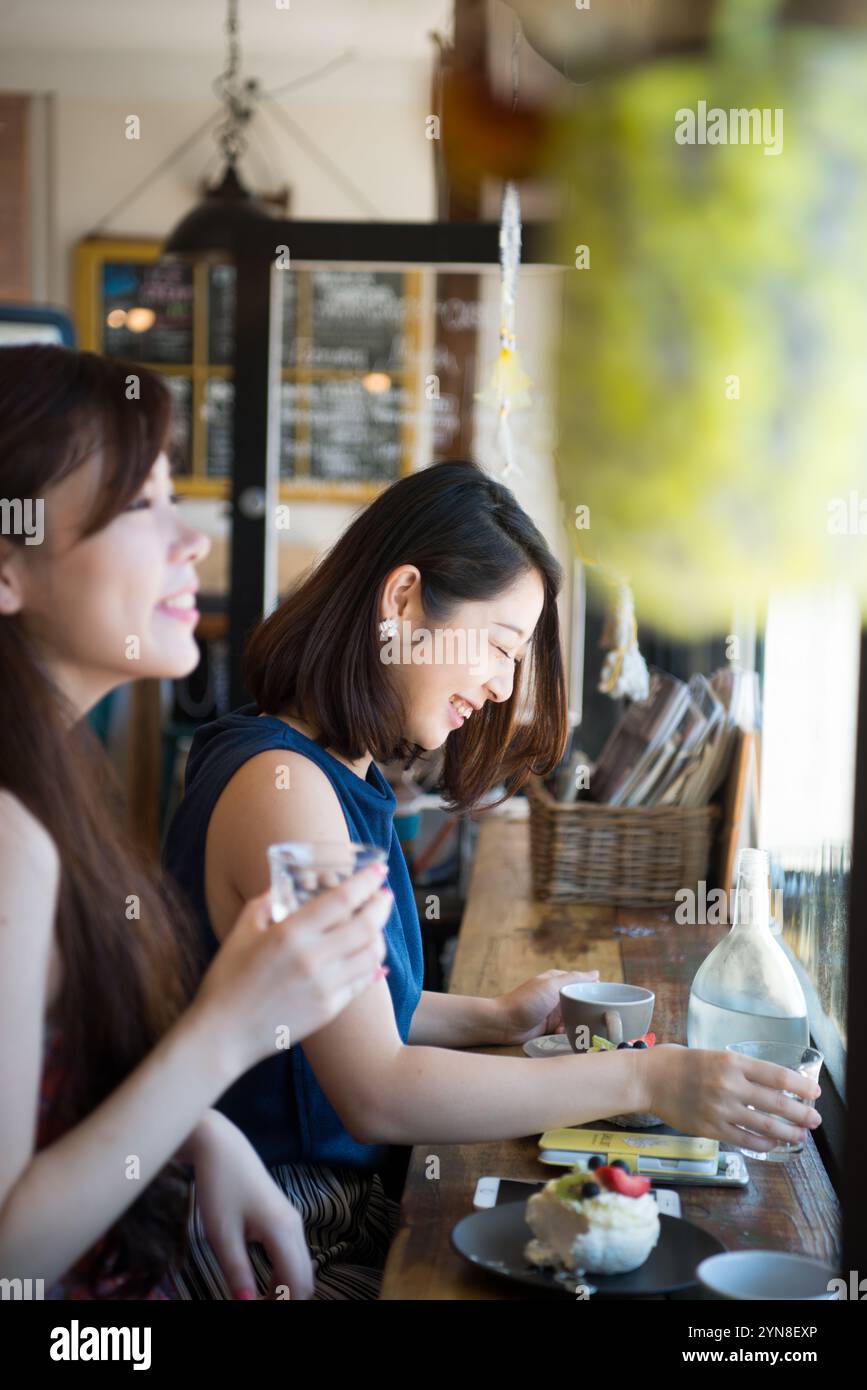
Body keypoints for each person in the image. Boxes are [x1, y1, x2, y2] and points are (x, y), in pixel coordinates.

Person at [164, 459, 823, 1299]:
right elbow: (377, 1092)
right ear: (402, 600)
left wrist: (491, 1016)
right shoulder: (281, 790)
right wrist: (649, 1077)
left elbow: (341, 1009)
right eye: (500, 647)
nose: (504, 685)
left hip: (329, 1201)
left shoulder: (320, 768)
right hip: (283, 1225)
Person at [0, 345, 390, 1300]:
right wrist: (228, 1028)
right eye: (141, 505)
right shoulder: (9, 837)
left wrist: (196, 1129)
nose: (193, 540)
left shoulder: (53, 782)